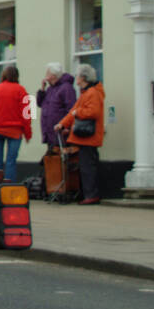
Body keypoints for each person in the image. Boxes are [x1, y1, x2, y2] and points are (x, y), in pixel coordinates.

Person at [58, 64, 105, 205]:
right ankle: (89, 194)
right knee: (87, 167)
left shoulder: (92, 93)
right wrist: (63, 123)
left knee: (88, 168)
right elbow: (74, 110)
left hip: (88, 137)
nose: (76, 78)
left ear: (83, 78)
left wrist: (75, 114)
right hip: (86, 137)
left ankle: (91, 195)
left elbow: (92, 112)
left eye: (78, 76)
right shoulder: (87, 93)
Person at [0, 64, 32, 183]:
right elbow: (27, 115)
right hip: (15, 131)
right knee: (11, 161)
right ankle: (9, 188)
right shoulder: (22, 90)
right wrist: (28, 133)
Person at [37, 63, 76, 149]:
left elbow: (71, 108)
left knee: (62, 159)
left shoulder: (66, 88)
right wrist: (42, 89)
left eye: (47, 73)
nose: (45, 75)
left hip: (61, 132)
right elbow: (40, 103)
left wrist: (67, 127)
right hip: (50, 132)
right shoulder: (50, 89)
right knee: (52, 159)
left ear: (53, 75)